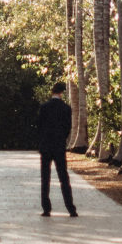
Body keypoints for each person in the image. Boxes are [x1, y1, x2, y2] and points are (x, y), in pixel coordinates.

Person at [36, 81, 78, 218]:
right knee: (63, 178)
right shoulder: (66, 108)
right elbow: (68, 128)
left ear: (52, 92)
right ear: (61, 93)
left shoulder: (44, 107)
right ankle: (71, 208)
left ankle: (46, 208)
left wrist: (42, 141)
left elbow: (39, 127)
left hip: (46, 146)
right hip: (59, 146)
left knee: (45, 178)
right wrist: (62, 139)